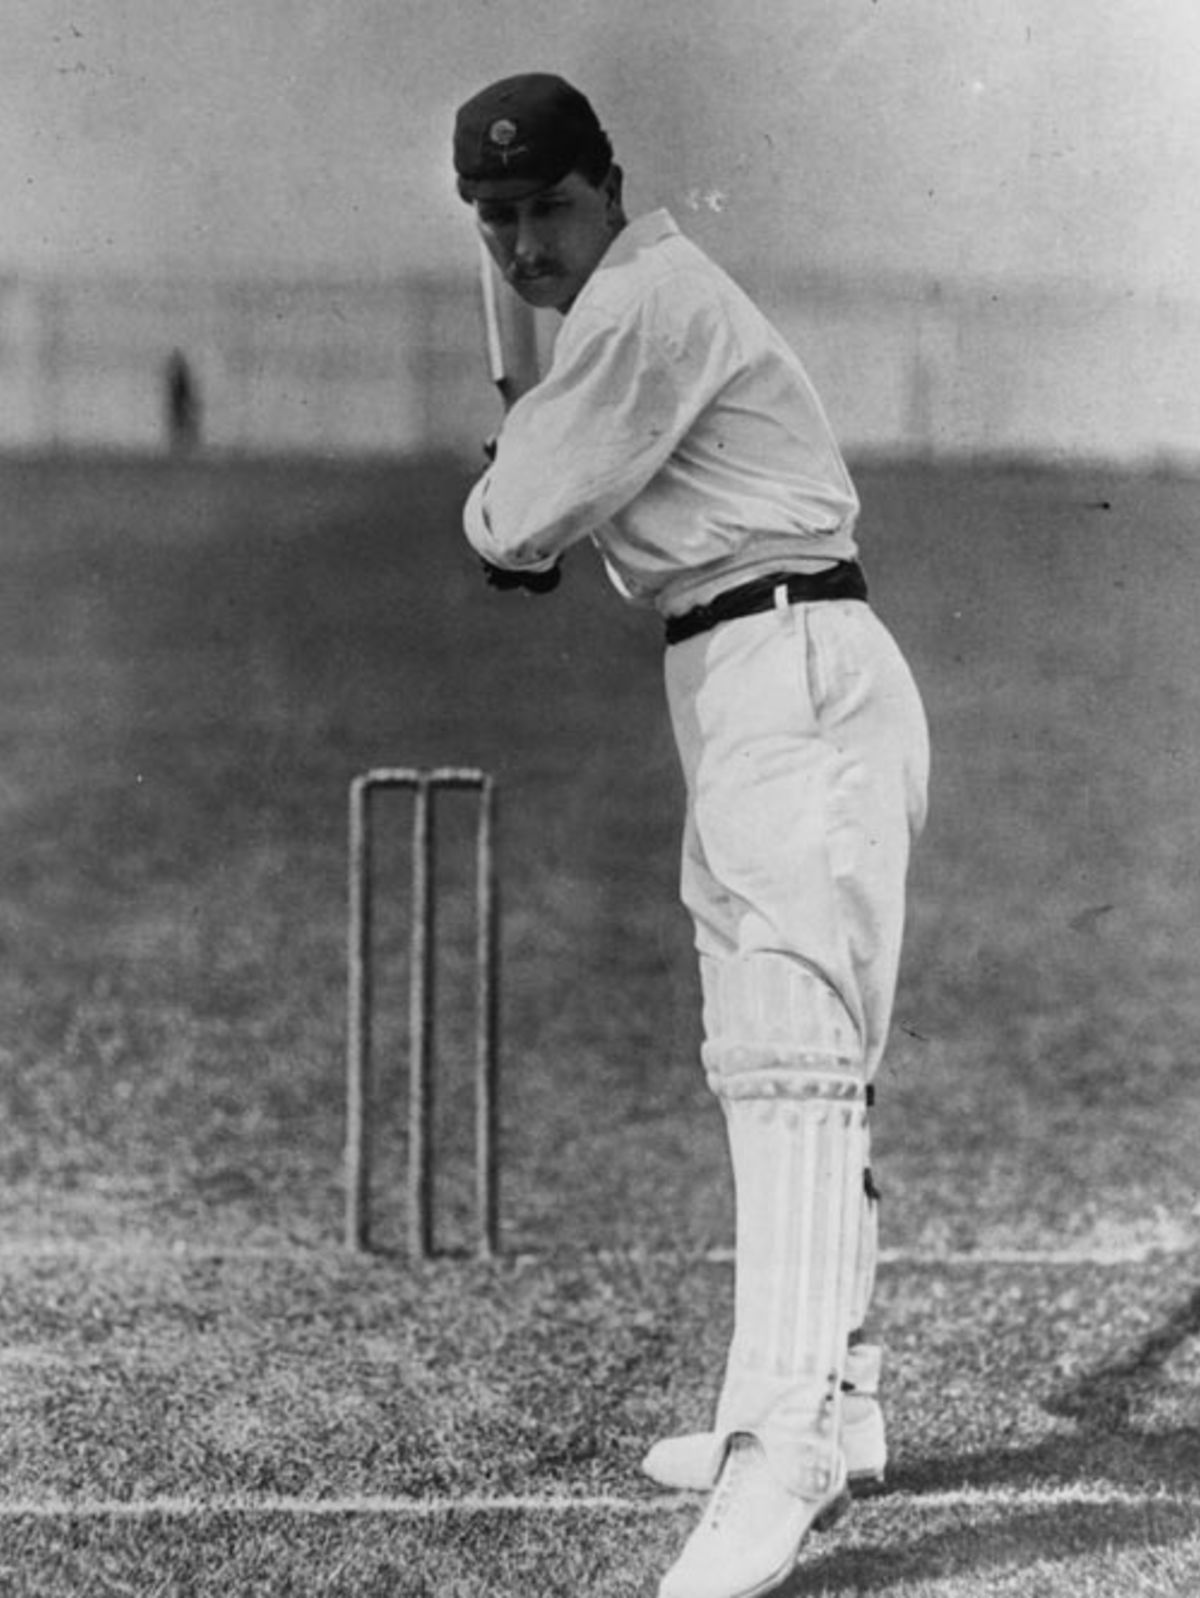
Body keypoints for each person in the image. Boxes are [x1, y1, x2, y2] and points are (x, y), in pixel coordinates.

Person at [453, 72, 930, 1598]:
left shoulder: (646, 297)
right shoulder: (616, 307)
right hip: (740, 669)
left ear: (610, 187)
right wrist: (530, 481)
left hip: (788, 662)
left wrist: (505, 498)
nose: (529, 243)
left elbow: (519, 521)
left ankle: (780, 1454)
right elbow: (557, 496)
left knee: (794, 1053)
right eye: (500, 221)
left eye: (551, 208)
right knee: (770, 1049)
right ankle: (836, 1402)